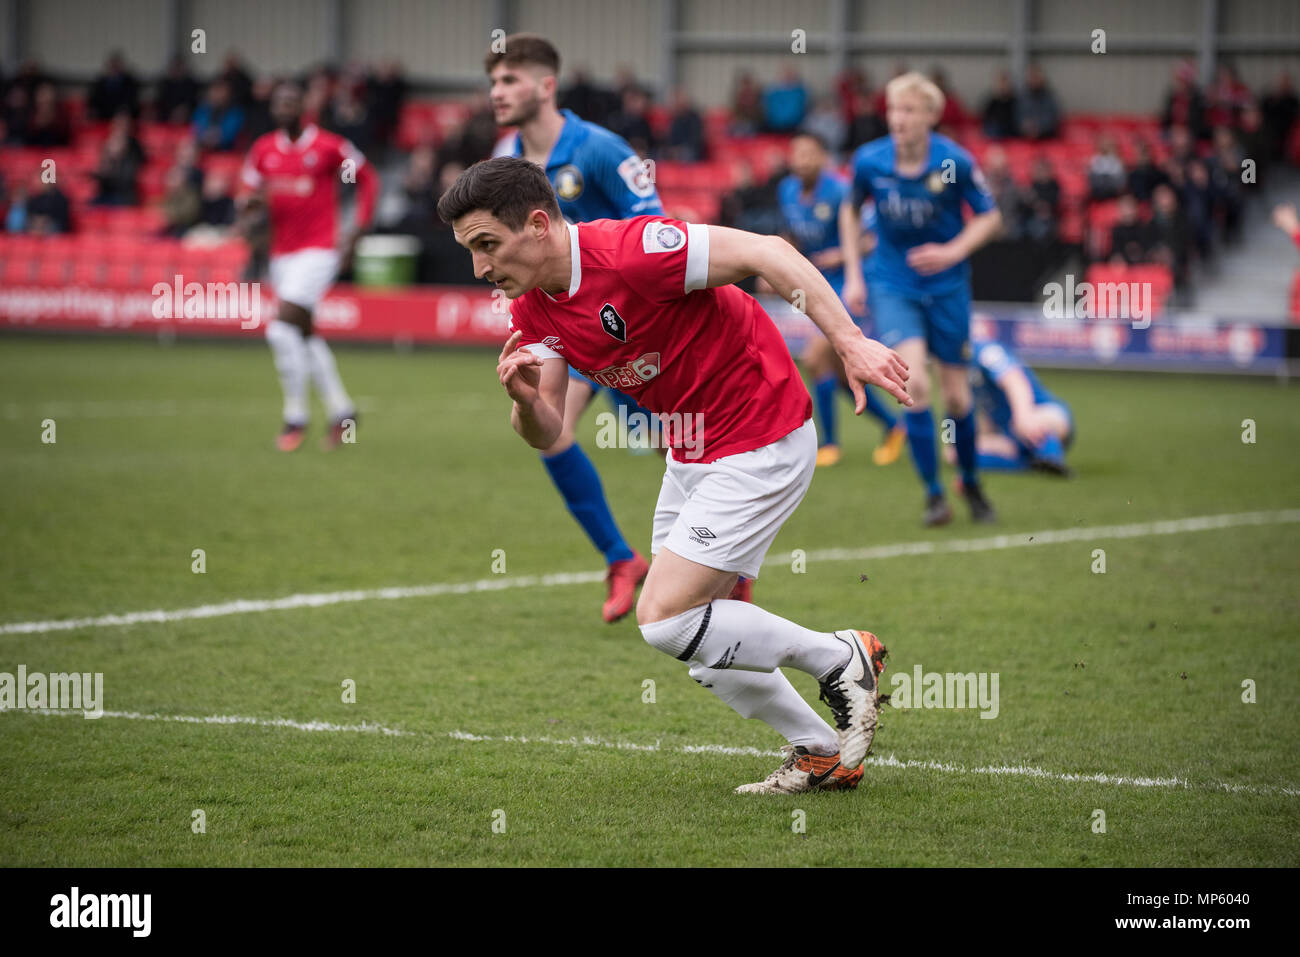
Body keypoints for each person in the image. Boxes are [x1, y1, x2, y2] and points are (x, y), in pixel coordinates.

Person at [439, 156, 910, 793]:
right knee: (704, 640)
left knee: (665, 618)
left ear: (540, 224)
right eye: (470, 251)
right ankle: (819, 749)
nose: (481, 269)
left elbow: (769, 253)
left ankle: (842, 657)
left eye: (487, 245)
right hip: (691, 449)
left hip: (761, 430)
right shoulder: (530, 310)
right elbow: (550, 432)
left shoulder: (632, 252)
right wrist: (524, 402)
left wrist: (850, 342)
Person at [485, 34, 675, 622]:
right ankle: (621, 558)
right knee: (548, 427)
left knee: (673, 444)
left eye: (510, 80)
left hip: (629, 330)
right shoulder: (504, 157)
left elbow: (653, 226)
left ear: (546, 85)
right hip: (562, 325)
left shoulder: (601, 149)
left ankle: (716, 568)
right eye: (493, 82)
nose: (497, 92)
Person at [840, 72, 1003, 527]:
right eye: (894, 109)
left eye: (910, 110)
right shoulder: (870, 161)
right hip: (893, 285)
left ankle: (969, 481)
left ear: (931, 115)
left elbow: (990, 217)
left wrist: (952, 251)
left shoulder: (955, 162)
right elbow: (849, 211)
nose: (899, 119)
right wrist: (854, 274)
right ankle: (934, 494)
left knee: (956, 398)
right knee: (914, 388)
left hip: (948, 288)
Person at [238, 81, 377, 451]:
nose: (284, 108)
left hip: (319, 250)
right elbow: (249, 195)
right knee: (303, 334)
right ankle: (342, 411)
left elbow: (367, 178)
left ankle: (294, 416)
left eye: (291, 102)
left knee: (280, 330)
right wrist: (249, 211)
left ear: (304, 107)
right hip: (280, 255)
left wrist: (358, 229)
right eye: (278, 102)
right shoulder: (264, 150)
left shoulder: (328, 147)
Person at [776, 131, 904, 467]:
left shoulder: (841, 191)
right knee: (838, 367)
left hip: (848, 285)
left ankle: (830, 443)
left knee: (816, 357)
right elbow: (791, 237)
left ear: (822, 158)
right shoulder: (786, 190)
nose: (802, 161)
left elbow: (871, 240)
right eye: (797, 154)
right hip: (814, 284)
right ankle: (894, 425)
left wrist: (838, 255)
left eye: (809, 154)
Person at [948, 330, 1073, 476]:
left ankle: (1050, 455)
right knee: (955, 453)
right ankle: (1030, 463)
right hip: (1006, 432)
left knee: (1031, 425)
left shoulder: (986, 351)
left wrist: (1023, 417)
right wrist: (952, 442)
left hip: (1042, 413)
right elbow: (951, 417)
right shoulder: (950, 372)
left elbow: (1014, 380)